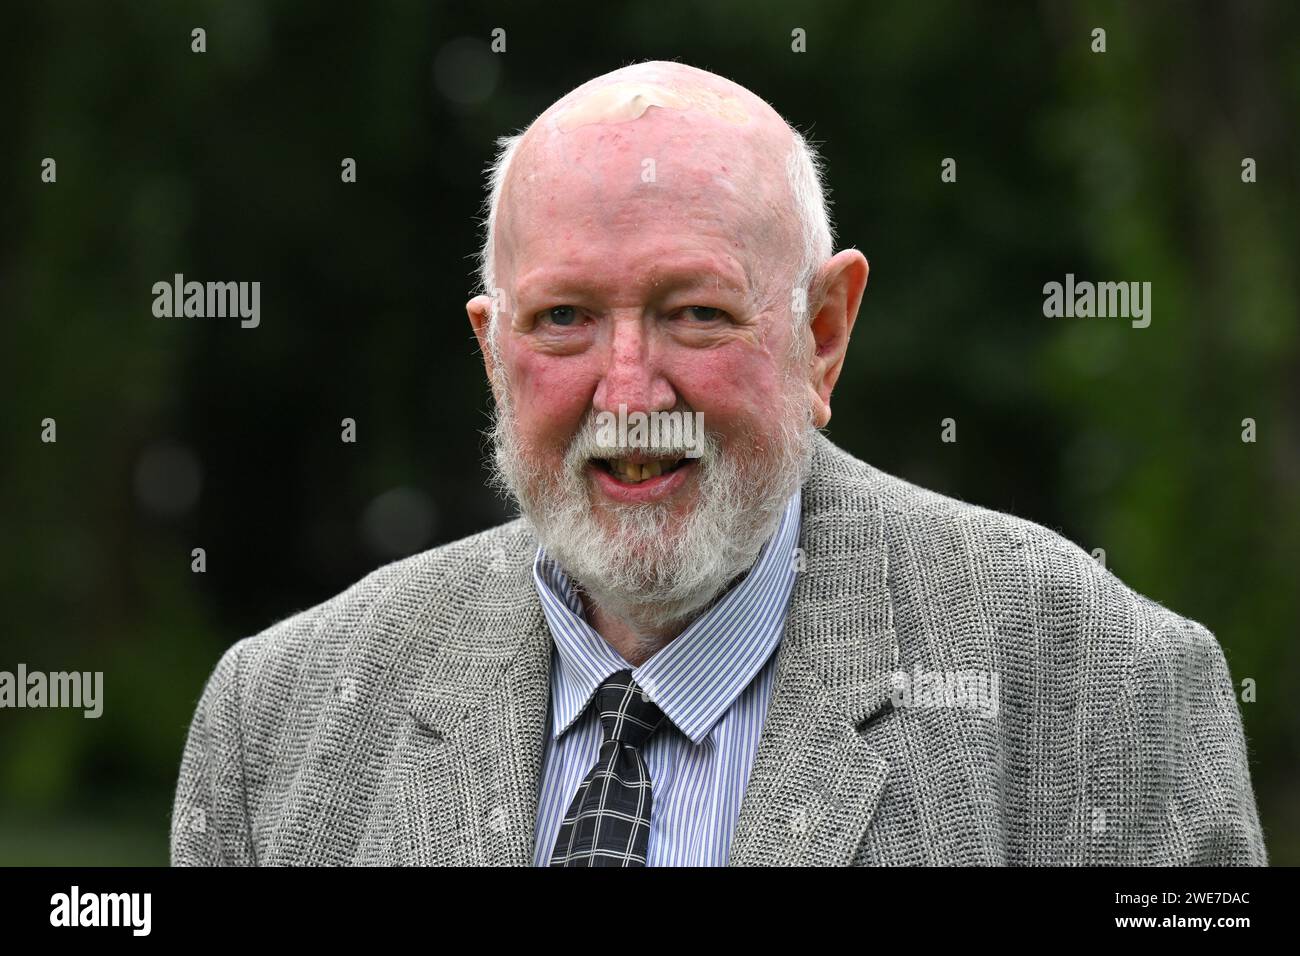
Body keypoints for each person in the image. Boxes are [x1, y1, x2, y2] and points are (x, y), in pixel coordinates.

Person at [170, 60, 1266, 866]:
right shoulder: (275, 719)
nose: (631, 390)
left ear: (822, 331)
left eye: (694, 313)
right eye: (562, 318)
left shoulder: (1100, 686)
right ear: (493, 350)